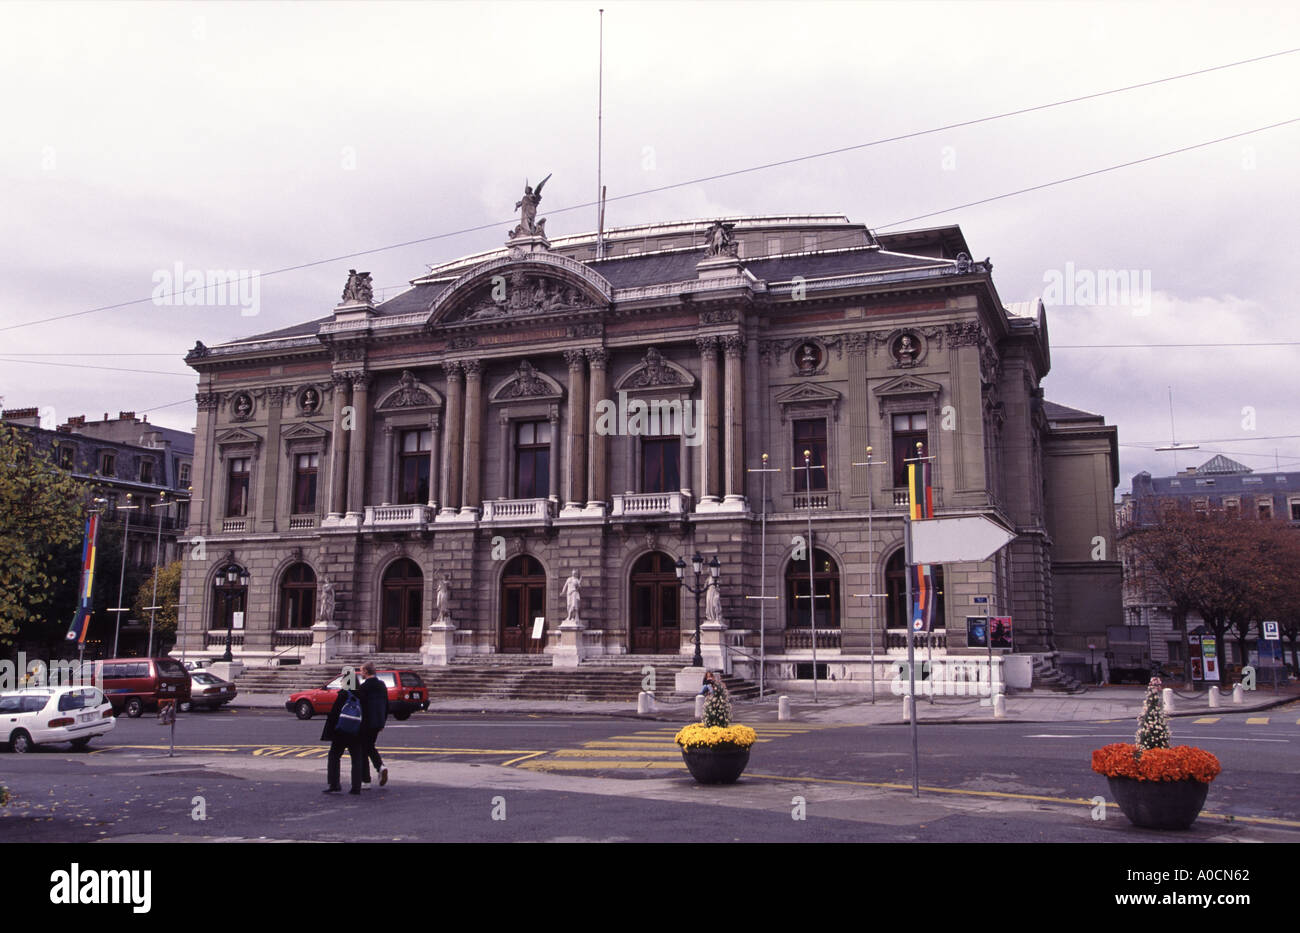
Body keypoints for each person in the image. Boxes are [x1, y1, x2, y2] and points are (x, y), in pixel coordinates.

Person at [321, 674, 363, 795]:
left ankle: (334, 783)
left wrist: (331, 731)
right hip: (356, 730)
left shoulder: (343, 695)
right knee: (356, 758)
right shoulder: (361, 695)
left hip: (341, 731)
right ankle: (356, 786)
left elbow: (334, 714)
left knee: (334, 756)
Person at [357, 661, 390, 787]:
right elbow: (386, 705)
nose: (361, 673)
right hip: (378, 721)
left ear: (366, 671)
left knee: (363, 749)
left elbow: (361, 706)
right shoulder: (382, 685)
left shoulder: (364, 687)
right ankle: (379, 768)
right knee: (369, 746)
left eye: (361, 671)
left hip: (366, 722)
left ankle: (366, 780)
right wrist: (382, 722)